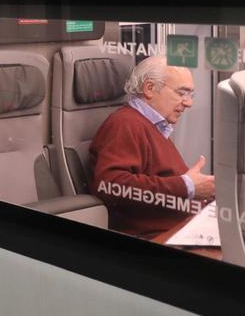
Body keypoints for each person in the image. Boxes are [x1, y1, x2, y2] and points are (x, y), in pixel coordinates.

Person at [89, 56, 216, 238]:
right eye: (181, 93)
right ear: (149, 88)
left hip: (185, 227)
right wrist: (187, 186)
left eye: (191, 95)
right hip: (160, 237)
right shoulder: (125, 124)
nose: (189, 103)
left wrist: (202, 191)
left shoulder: (153, 127)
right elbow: (111, 185)